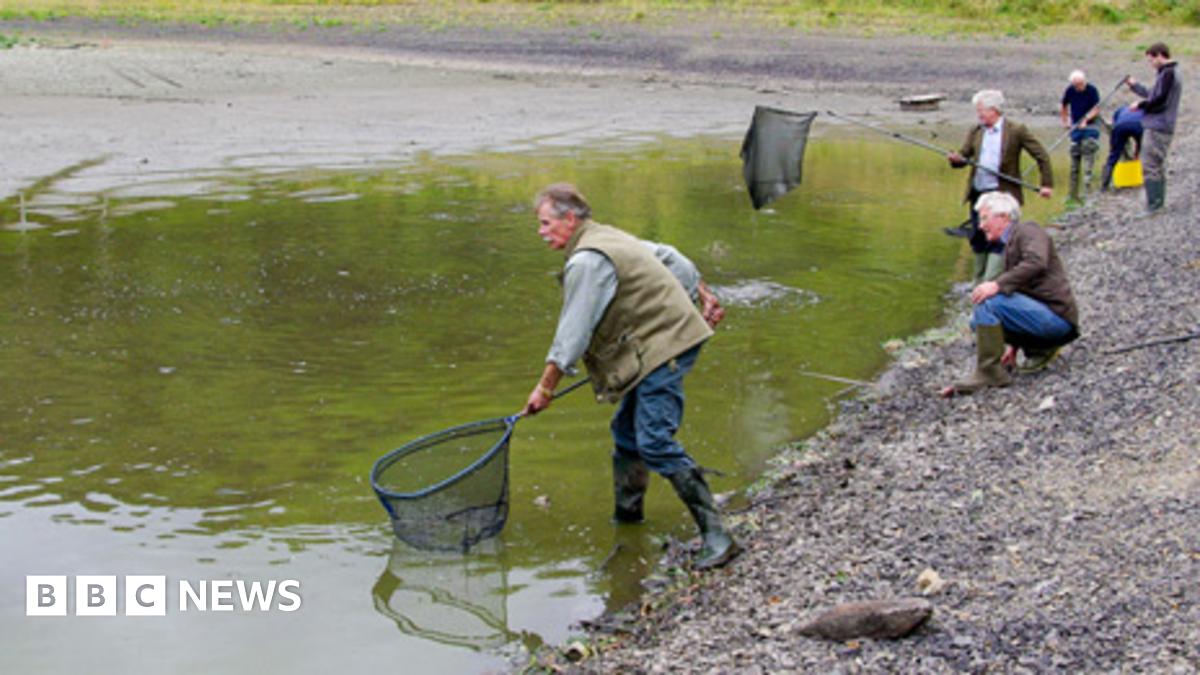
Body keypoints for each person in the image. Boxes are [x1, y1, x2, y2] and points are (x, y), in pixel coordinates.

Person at [522, 183, 738, 570]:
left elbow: (571, 335)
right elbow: (671, 258)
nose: (540, 232)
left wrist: (545, 388)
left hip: (668, 345)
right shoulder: (607, 235)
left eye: (545, 223)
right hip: (657, 343)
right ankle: (628, 520)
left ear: (570, 219)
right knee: (626, 434)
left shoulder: (587, 261)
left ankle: (717, 536)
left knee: (654, 440)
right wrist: (704, 296)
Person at [942, 192, 1079, 398]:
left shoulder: (1028, 230)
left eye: (985, 218)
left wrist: (997, 285)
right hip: (1047, 318)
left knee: (988, 301)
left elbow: (1036, 262)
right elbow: (1020, 289)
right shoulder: (1011, 243)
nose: (980, 225)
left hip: (1057, 318)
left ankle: (989, 372)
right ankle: (1035, 349)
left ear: (1004, 217)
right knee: (977, 321)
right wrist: (1013, 348)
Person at [946, 90, 1054, 284]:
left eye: (981, 110)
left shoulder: (1016, 130)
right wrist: (956, 159)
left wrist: (1046, 184)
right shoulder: (976, 130)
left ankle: (993, 280)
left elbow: (1041, 155)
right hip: (978, 192)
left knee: (999, 237)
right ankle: (978, 280)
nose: (978, 114)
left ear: (993, 110)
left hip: (1002, 194)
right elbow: (964, 156)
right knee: (979, 234)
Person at [1125, 42, 1182, 213]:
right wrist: (1134, 86)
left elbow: (1159, 101)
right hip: (1161, 125)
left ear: (1159, 55)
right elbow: (1154, 94)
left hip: (1159, 126)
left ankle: (1154, 206)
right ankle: (1157, 204)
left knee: (1150, 164)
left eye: (1151, 60)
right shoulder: (1167, 73)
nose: (1151, 64)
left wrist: (1140, 105)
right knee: (1156, 164)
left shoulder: (1169, 73)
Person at [1060, 70, 1102, 203]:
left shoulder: (1092, 90)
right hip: (1076, 128)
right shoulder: (1070, 90)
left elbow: (1096, 108)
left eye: (1080, 84)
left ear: (1084, 81)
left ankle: (1087, 194)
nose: (1079, 87)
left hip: (1091, 128)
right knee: (1074, 162)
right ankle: (1072, 195)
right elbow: (1064, 105)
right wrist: (1065, 120)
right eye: (1076, 85)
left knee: (1088, 159)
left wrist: (1086, 119)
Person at [1100, 104, 1144, 192]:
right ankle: (1143, 179)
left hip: (1120, 126)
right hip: (1138, 125)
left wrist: (1115, 146)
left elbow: (1114, 124)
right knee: (1143, 149)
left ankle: (1104, 187)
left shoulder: (1121, 109)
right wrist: (1137, 153)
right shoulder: (1144, 109)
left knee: (1113, 156)